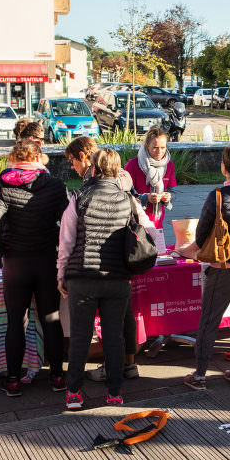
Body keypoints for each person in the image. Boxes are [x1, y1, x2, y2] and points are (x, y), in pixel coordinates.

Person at [64, 136, 155, 382]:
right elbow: (141, 219)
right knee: (123, 317)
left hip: (92, 267)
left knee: (91, 331)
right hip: (120, 266)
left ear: (88, 161)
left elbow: (68, 238)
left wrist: (63, 272)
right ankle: (126, 368)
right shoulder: (123, 180)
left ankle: (82, 385)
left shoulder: (86, 188)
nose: (73, 167)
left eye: (73, 161)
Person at [0, 141, 69, 397]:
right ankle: (56, 376)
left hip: (16, 262)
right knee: (51, 319)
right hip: (46, 260)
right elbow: (67, 221)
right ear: (39, 158)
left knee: (16, 321)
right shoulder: (54, 185)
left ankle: (12, 380)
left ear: (13, 158)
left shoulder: (4, 183)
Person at [57, 149, 135, 409]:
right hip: (117, 279)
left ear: (94, 169)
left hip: (83, 278)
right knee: (114, 338)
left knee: (80, 337)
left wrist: (61, 274)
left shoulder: (79, 196)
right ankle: (114, 393)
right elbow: (142, 231)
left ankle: (74, 394)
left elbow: (66, 241)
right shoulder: (127, 199)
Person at [182, 146, 230, 390]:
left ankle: (200, 375)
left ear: (224, 167)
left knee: (209, 321)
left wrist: (184, 250)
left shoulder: (218, 195)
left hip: (223, 267)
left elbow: (202, 235)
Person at [124, 126, 177, 229]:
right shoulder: (133, 165)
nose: (159, 152)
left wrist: (168, 197)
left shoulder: (169, 165)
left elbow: (174, 192)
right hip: (136, 222)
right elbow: (125, 194)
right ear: (147, 146)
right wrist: (145, 198)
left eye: (163, 147)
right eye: (155, 147)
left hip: (158, 222)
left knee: (158, 245)